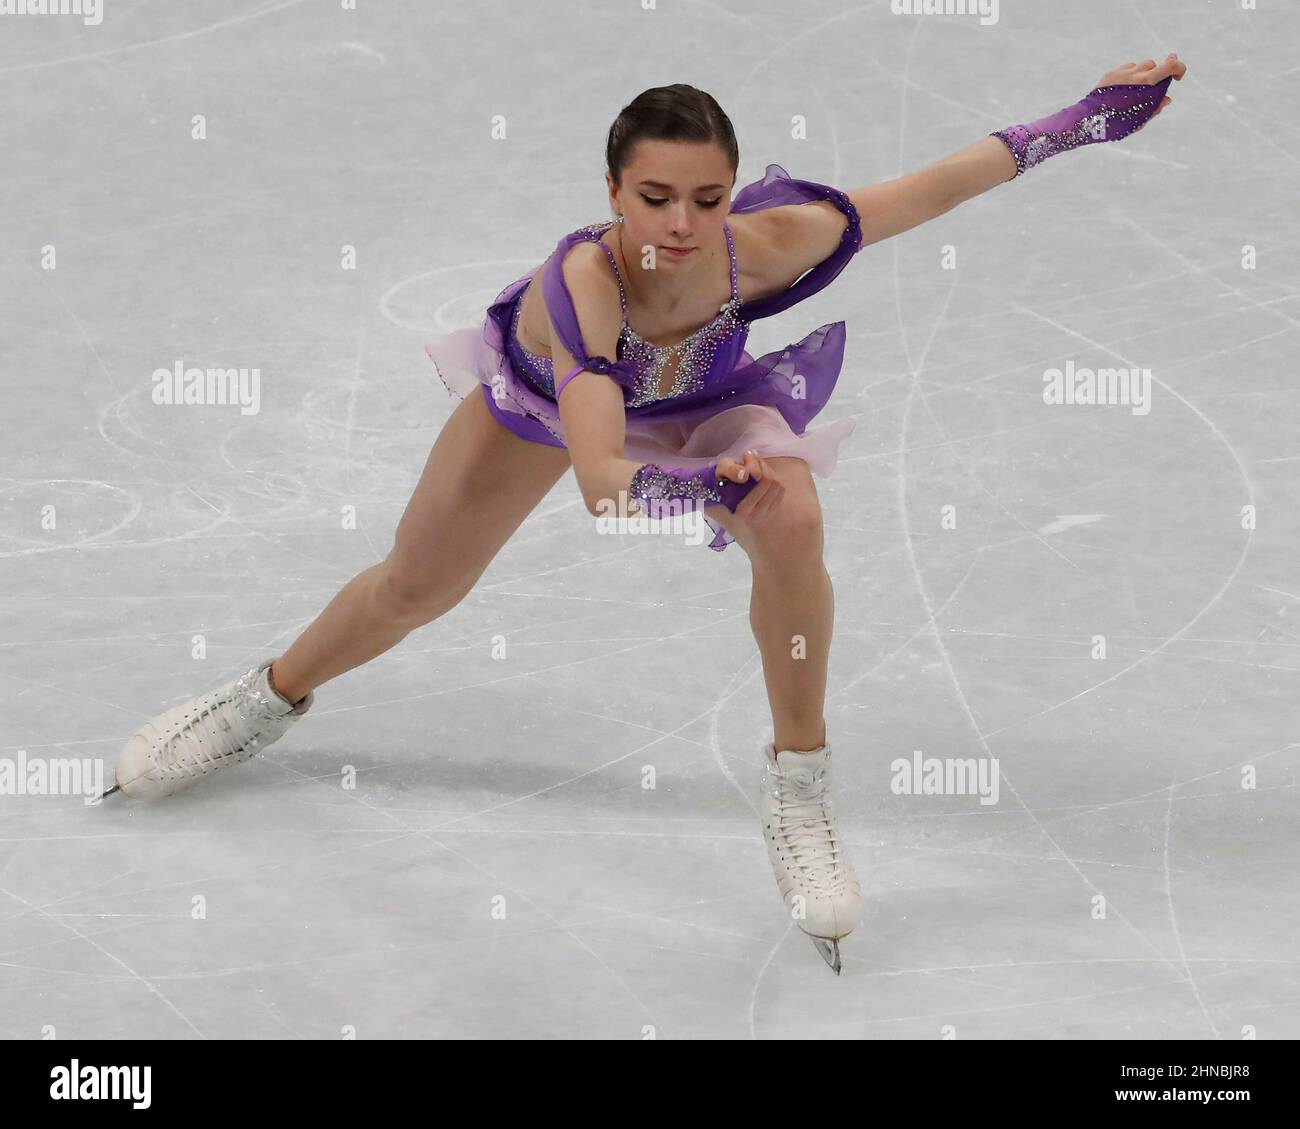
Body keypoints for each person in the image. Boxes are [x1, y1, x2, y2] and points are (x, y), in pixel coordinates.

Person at [104, 61, 1185, 975]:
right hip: (562, 422)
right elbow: (602, 476)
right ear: (612, 188)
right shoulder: (577, 286)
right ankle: (265, 696)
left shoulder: (773, 241)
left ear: (731, 192)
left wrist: (1090, 116)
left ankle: (798, 784)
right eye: (654, 196)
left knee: (795, 521)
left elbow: (942, 184)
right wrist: (704, 491)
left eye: (707, 197)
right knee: (415, 588)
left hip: (709, 401)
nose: (680, 225)